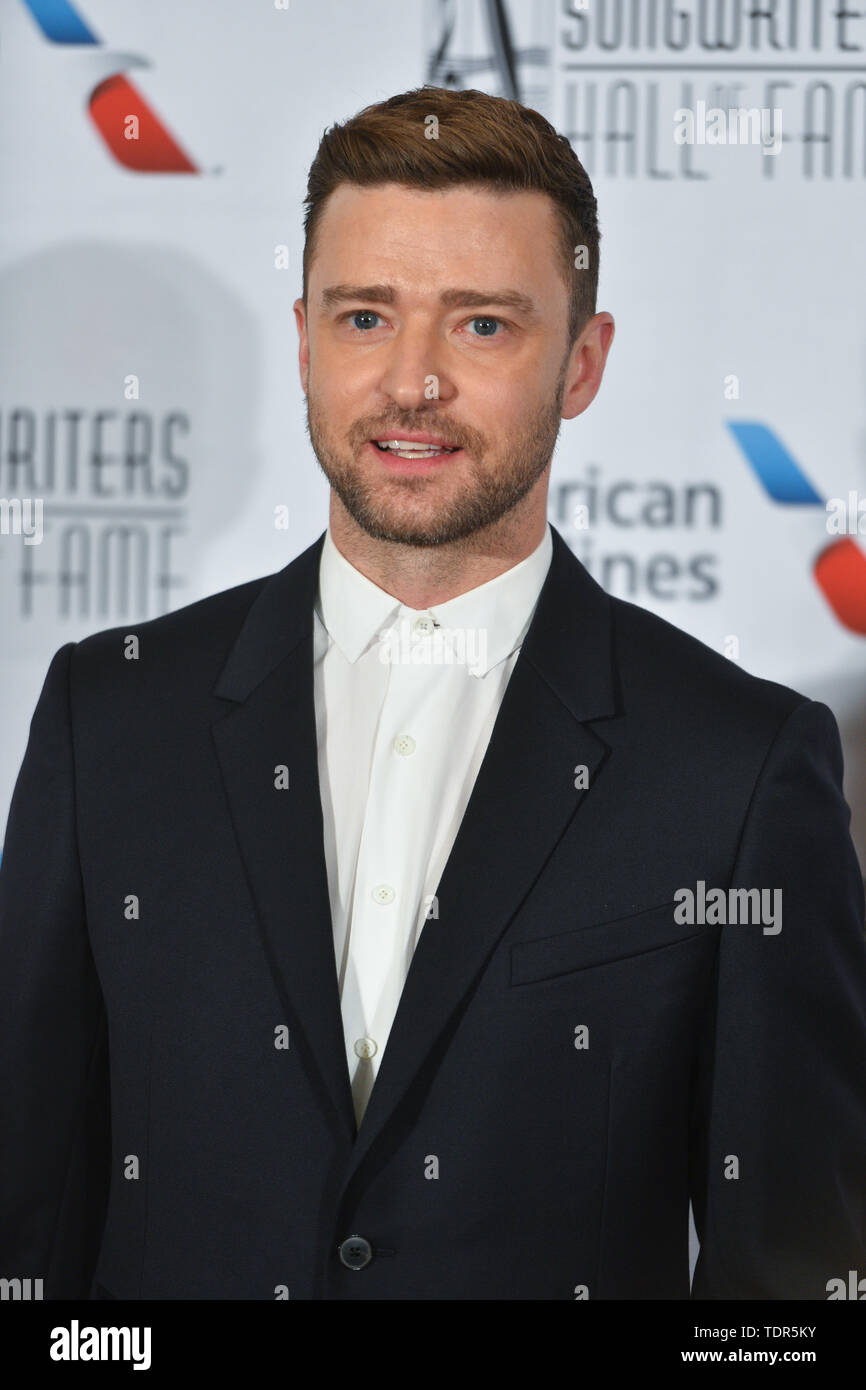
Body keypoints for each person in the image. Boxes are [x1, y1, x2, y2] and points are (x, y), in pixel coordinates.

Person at [1, 85, 865, 1301]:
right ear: (304, 335)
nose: (411, 384)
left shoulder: (736, 764)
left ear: (581, 362)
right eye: (365, 317)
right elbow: (26, 1215)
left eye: (480, 327)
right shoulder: (109, 718)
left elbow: (785, 1281)